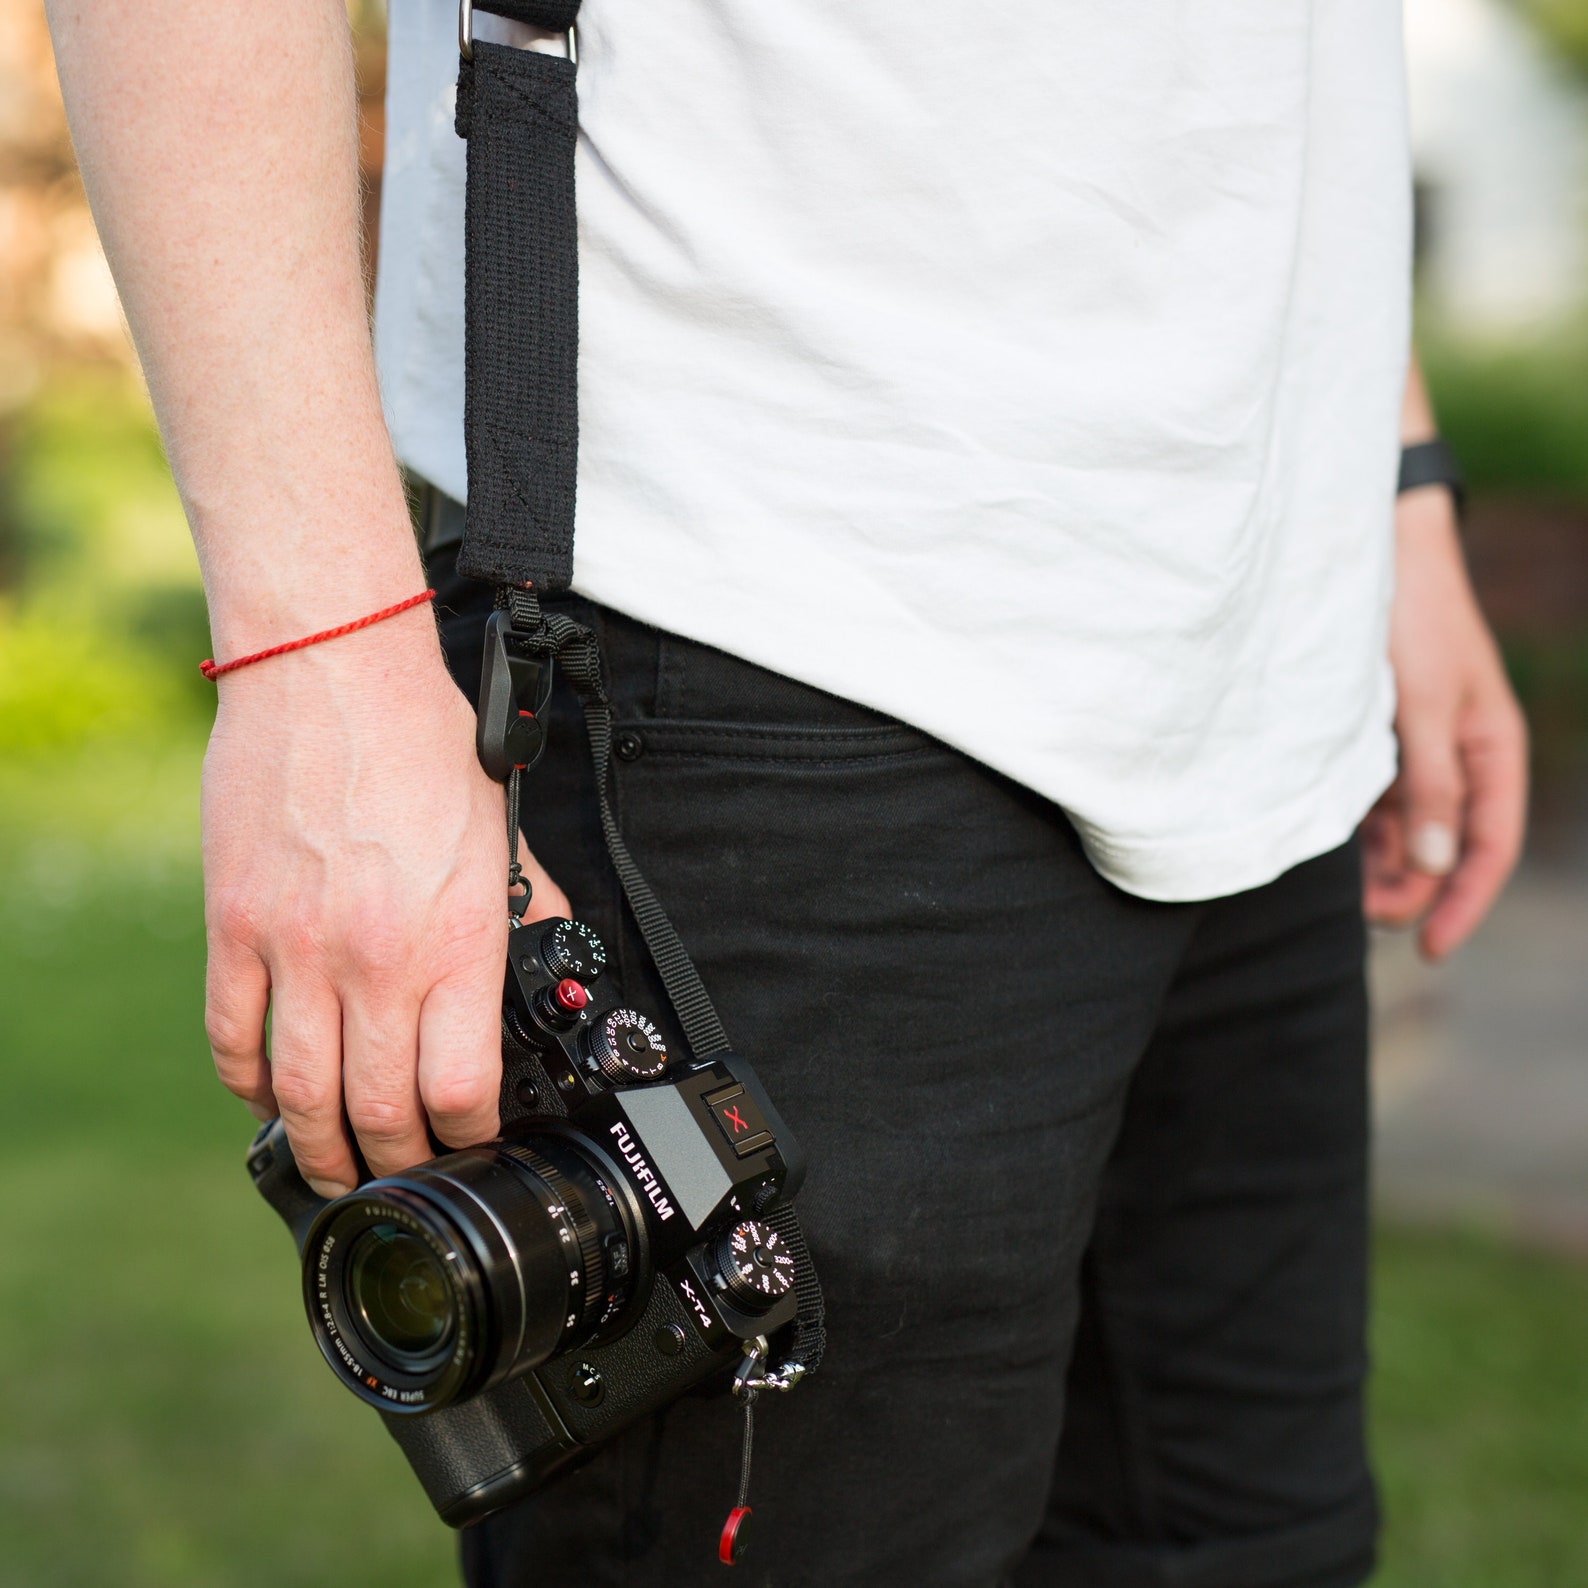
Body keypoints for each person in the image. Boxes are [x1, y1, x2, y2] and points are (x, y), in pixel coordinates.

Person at [49, 2, 1527, 1584]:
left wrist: (1390, 468)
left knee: (1253, 1547)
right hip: (754, 611)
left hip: (1259, 648)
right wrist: (316, 659)